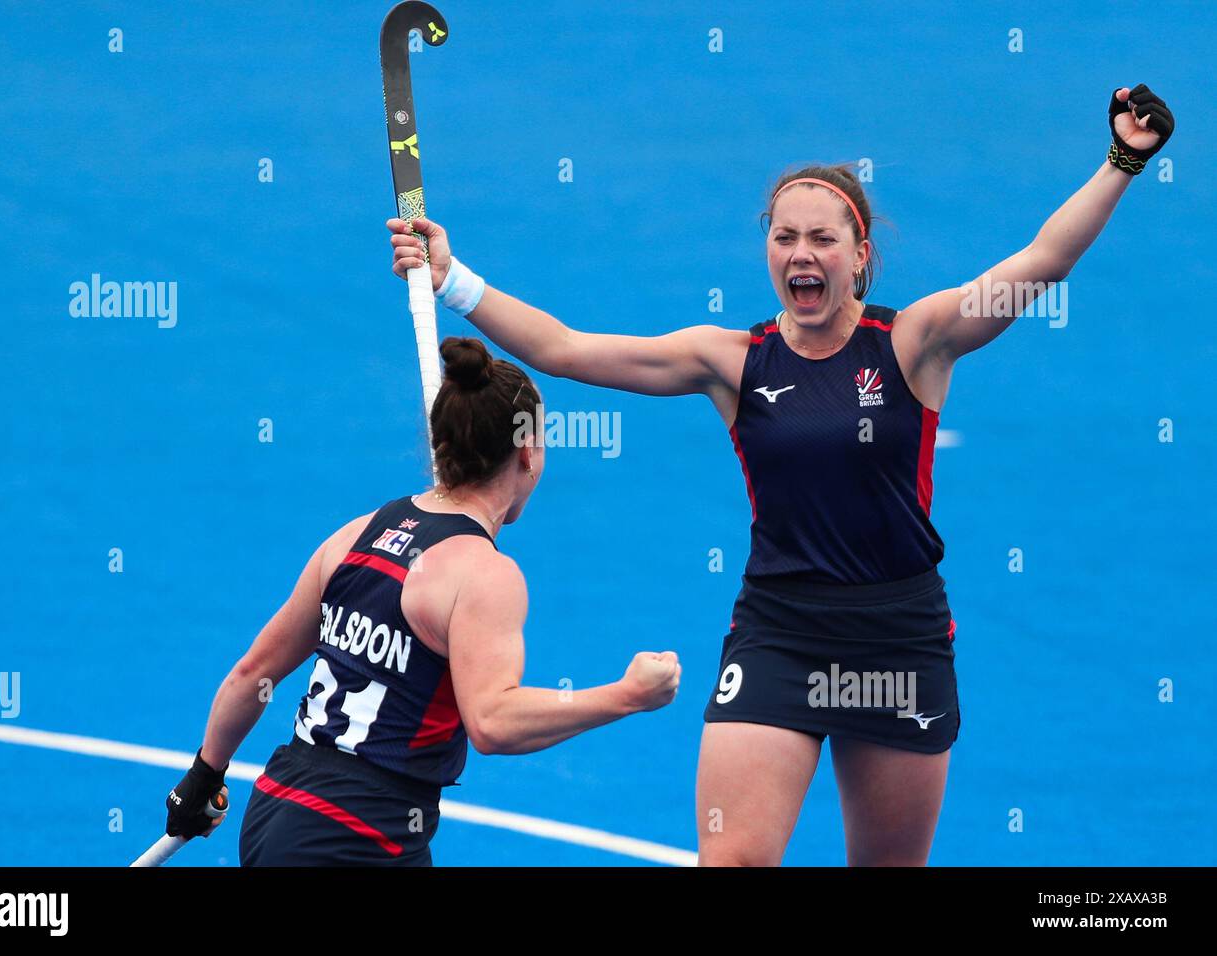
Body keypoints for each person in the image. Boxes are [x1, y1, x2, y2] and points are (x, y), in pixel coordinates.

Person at [386, 85, 1174, 866]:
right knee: (731, 861)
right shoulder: (731, 362)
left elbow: (1042, 262)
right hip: (779, 634)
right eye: (784, 236)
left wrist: (1120, 160)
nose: (801, 254)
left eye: (823, 240)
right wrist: (454, 280)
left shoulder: (915, 343)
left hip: (898, 640)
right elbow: (565, 349)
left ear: (860, 255)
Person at [161, 337, 682, 865]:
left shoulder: (357, 534)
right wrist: (627, 695)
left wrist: (204, 775)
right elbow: (494, 722)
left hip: (279, 806)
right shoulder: (485, 574)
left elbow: (255, 672)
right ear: (528, 453)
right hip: (356, 838)